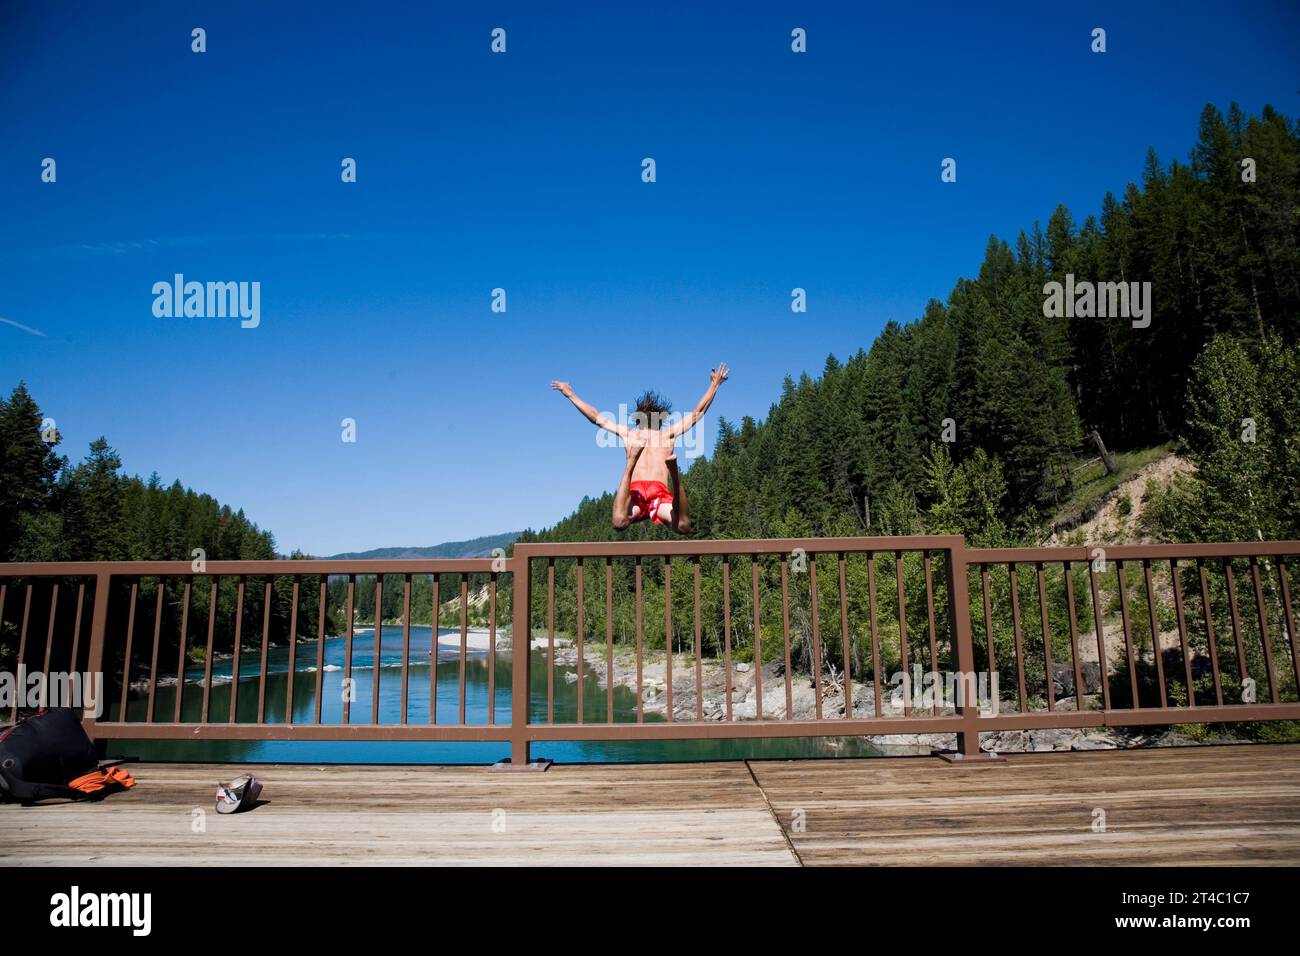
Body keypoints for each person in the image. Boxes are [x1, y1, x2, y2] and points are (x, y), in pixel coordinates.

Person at [551, 364, 729, 534]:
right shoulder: (657, 435)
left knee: (680, 526)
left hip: (656, 492)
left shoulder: (643, 435)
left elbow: (597, 418)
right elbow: (697, 413)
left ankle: (672, 473)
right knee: (622, 522)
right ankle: (645, 465)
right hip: (636, 493)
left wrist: (570, 394)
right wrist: (714, 386)